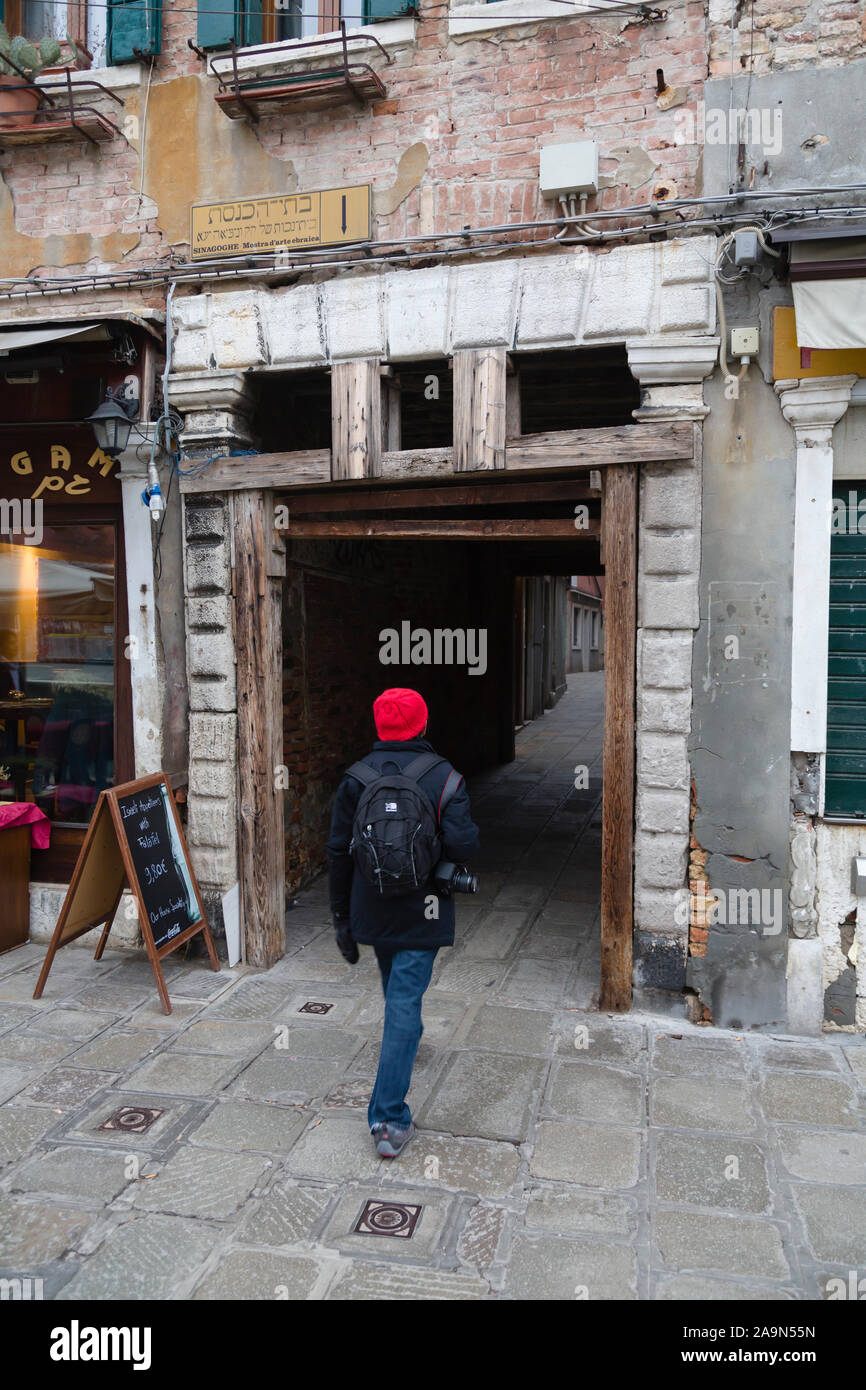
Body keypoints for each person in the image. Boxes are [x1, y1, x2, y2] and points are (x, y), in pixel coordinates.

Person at [327, 687, 480, 1159]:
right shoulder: (446, 778)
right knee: (403, 1005)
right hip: (423, 911)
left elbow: (338, 854)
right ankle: (388, 1119)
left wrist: (341, 922)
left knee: (399, 995)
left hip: (372, 911)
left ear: (379, 725)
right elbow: (465, 847)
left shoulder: (354, 779)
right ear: (421, 724)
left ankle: (400, 1053)